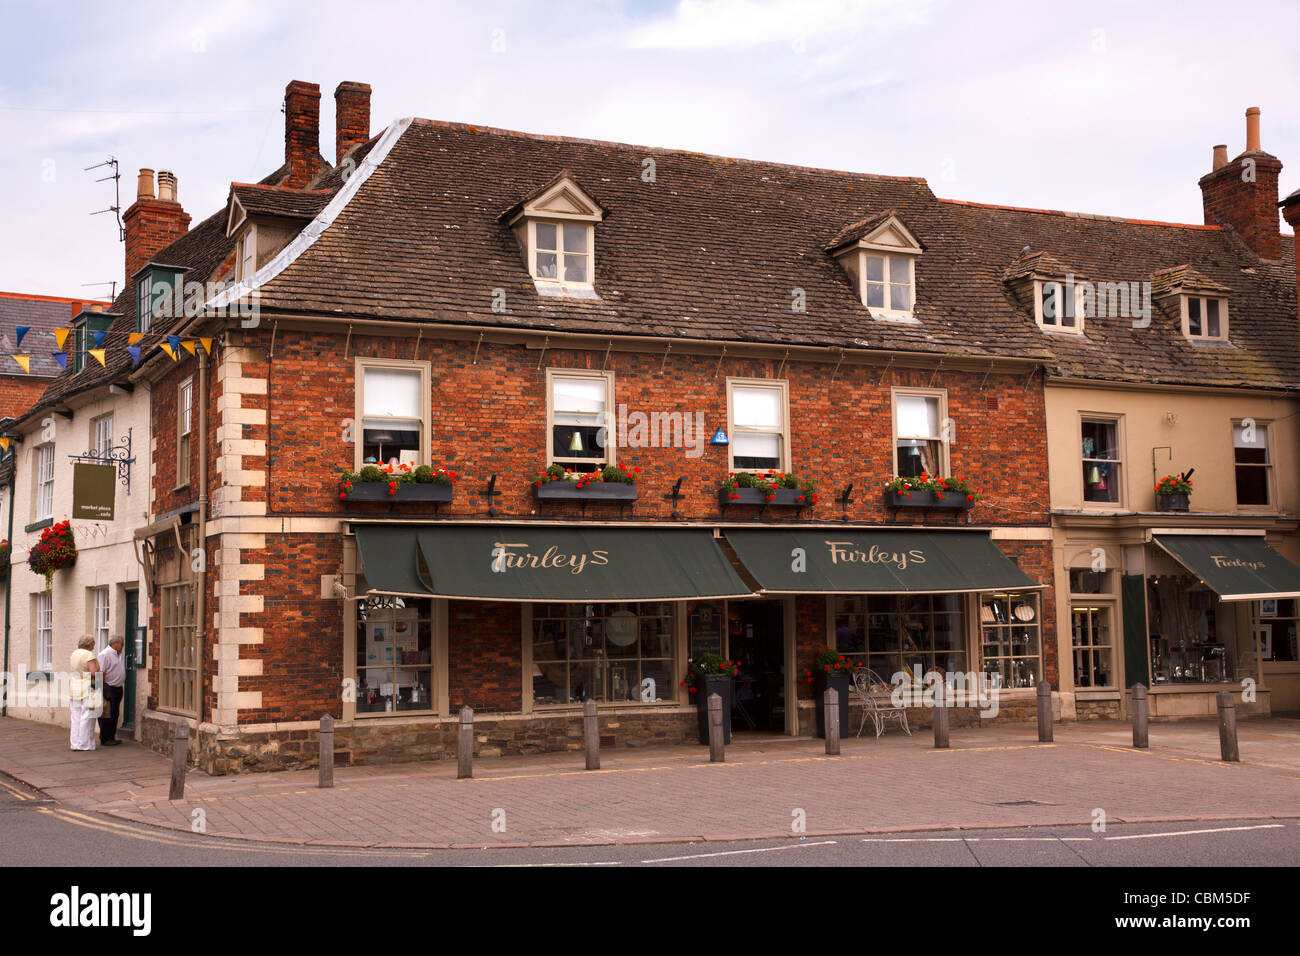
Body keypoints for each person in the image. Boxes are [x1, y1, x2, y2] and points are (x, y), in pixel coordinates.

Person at [69, 636, 101, 752]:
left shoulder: (74, 654)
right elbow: (93, 673)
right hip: (88, 687)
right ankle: (84, 744)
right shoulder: (89, 655)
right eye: (93, 643)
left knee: (75, 717)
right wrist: (101, 673)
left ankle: (75, 744)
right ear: (89, 644)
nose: (94, 646)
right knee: (87, 716)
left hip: (74, 687)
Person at [97, 636, 126, 746]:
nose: (122, 646)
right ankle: (105, 738)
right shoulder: (105, 654)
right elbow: (101, 672)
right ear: (115, 644)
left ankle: (111, 737)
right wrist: (104, 689)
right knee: (107, 715)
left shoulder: (118, 654)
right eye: (122, 644)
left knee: (115, 714)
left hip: (118, 688)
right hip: (109, 688)